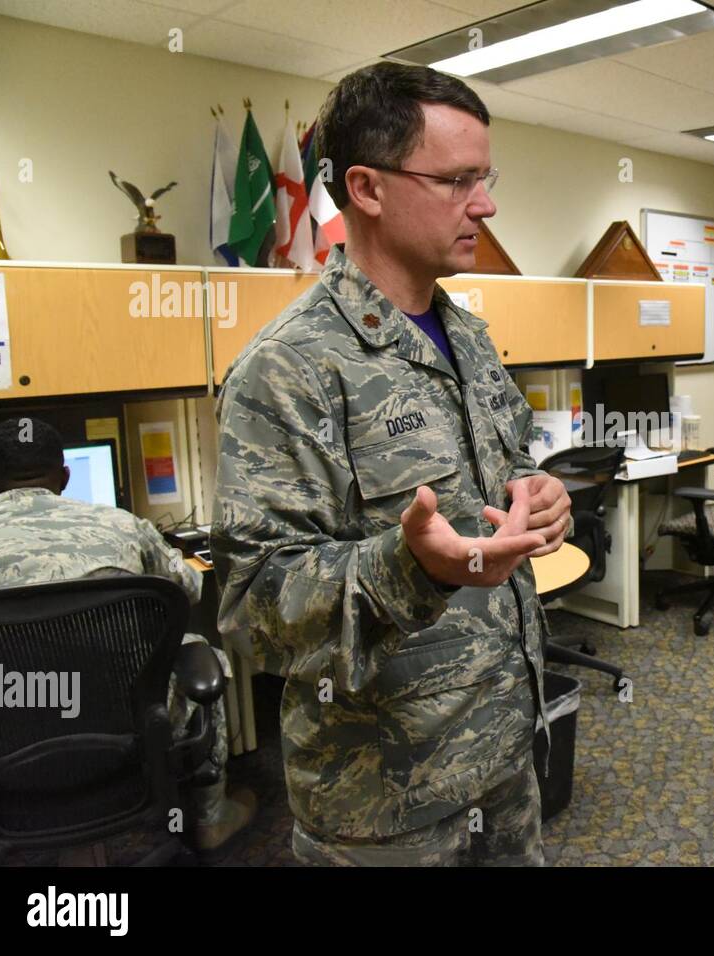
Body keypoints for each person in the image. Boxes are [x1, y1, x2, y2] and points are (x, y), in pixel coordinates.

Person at [213, 62, 571, 867]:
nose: (486, 204)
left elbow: (510, 470)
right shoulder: (290, 369)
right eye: (457, 180)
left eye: (486, 177)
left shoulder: (468, 336)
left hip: (504, 752)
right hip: (385, 803)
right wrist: (410, 567)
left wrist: (541, 496)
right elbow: (251, 611)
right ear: (367, 189)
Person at [0, 416, 255, 858]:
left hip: (5, 735)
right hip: (124, 725)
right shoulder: (124, 526)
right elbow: (188, 590)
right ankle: (208, 820)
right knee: (207, 658)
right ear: (65, 476)